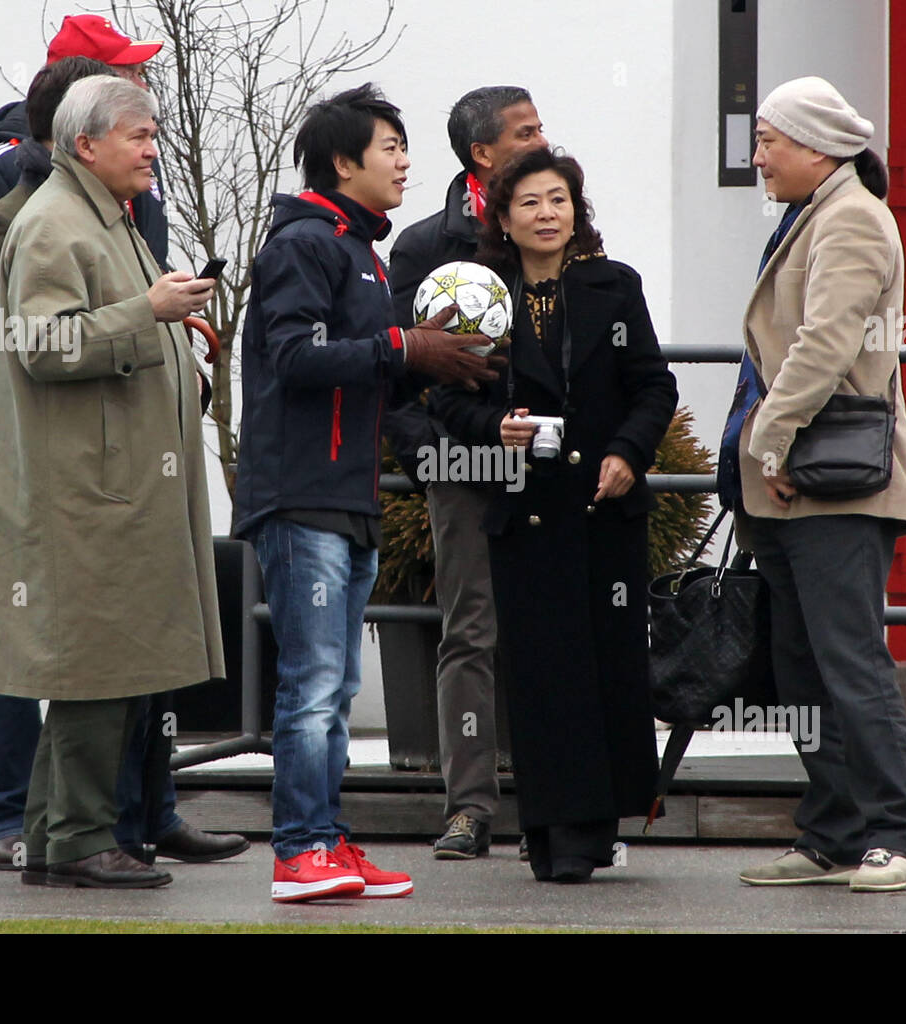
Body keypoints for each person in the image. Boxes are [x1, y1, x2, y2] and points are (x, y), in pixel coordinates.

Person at [0, 58, 248, 875]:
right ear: (84, 144)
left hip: (115, 487)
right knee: (96, 671)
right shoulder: (56, 222)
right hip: (86, 496)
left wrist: (170, 331)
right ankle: (85, 841)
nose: (154, 149)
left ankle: (58, 841)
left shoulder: (104, 214)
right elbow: (45, 345)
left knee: (110, 670)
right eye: (140, 135)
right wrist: (147, 311)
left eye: (154, 134)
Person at [233, 83, 503, 902]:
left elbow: (373, 374)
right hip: (299, 493)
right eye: (390, 147)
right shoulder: (304, 246)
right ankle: (297, 852)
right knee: (313, 681)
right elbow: (295, 356)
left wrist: (445, 412)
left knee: (340, 685)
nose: (406, 162)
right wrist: (402, 344)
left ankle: (327, 840)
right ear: (344, 161)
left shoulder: (360, 249)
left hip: (346, 498)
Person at [431, 147, 677, 883]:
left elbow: (653, 386)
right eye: (530, 202)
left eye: (559, 200)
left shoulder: (613, 285)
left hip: (604, 510)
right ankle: (552, 835)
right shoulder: (481, 294)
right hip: (526, 514)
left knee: (606, 670)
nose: (547, 214)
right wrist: (491, 427)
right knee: (543, 678)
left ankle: (597, 829)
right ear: (502, 217)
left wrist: (629, 452)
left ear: (578, 210)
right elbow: (444, 397)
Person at [730, 76, 906, 892]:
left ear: (817, 146)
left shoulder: (850, 216)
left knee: (849, 661)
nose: (758, 157)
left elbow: (824, 343)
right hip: (792, 480)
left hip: (828, 478)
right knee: (803, 664)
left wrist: (770, 442)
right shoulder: (817, 211)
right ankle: (835, 832)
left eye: (769, 142)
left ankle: (897, 834)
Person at [386, 86, 548, 860]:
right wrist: (431, 456)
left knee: (554, 627)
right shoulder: (424, 246)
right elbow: (398, 369)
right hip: (464, 465)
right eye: (526, 131)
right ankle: (470, 808)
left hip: (549, 465)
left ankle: (558, 798)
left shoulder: (558, 228)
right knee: (470, 633)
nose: (541, 138)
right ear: (483, 154)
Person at [0, 13, 170, 391]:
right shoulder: (2, 167)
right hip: (66, 398)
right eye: (130, 74)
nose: (142, 86)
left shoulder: (133, 168)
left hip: (134, 385)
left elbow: (149, 266)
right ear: (83, 93)